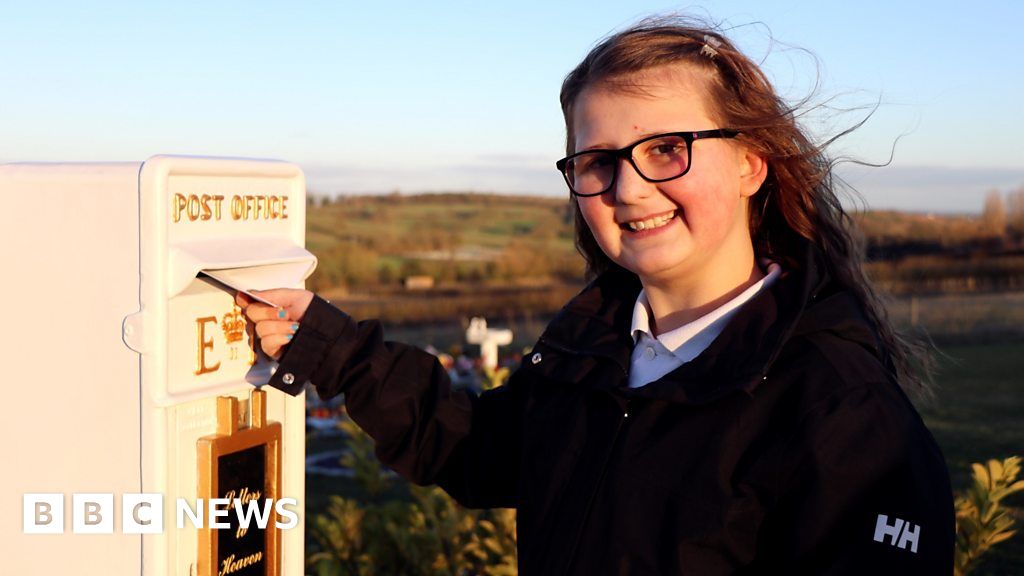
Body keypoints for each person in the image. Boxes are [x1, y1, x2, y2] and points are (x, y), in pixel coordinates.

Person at [239, 18, 954, 575]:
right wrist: (330, 346)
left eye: (668, 149)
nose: (629, 188)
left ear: (750, 164)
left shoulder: (839, 412)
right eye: (597, 161)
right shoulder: (592, 351)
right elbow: (476, 449)